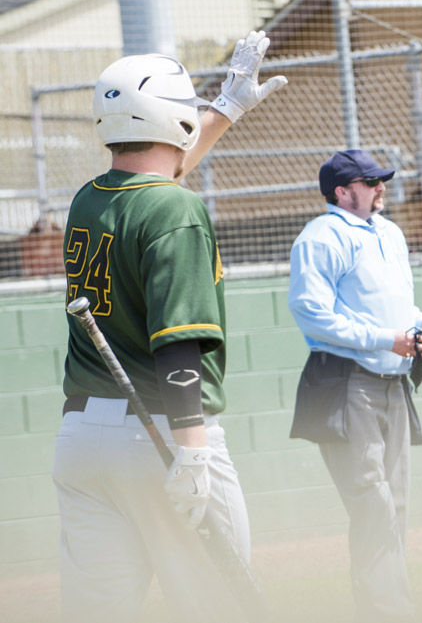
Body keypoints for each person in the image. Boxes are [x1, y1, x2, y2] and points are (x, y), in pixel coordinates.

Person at [54, 32, 287, 621]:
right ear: (171, 115)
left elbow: (160, 174)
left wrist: (225, 110)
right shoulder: (175, 209)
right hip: (160, 436)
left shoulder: (90, 198)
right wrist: (192, 453)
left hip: (82, 445)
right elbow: (178, 345)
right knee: (220, 607)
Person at [288, 149, 422, 622]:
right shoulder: (320, 238)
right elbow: (312, 314)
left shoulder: (389, 232)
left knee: (396, 505)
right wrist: (388, 339)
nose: (381, 186)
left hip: (393, 384)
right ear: (342, 192)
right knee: (373, 506)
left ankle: (385, 608)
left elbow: (397, 310)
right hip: (347, 382)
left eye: (381, 179)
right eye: (370, 181)